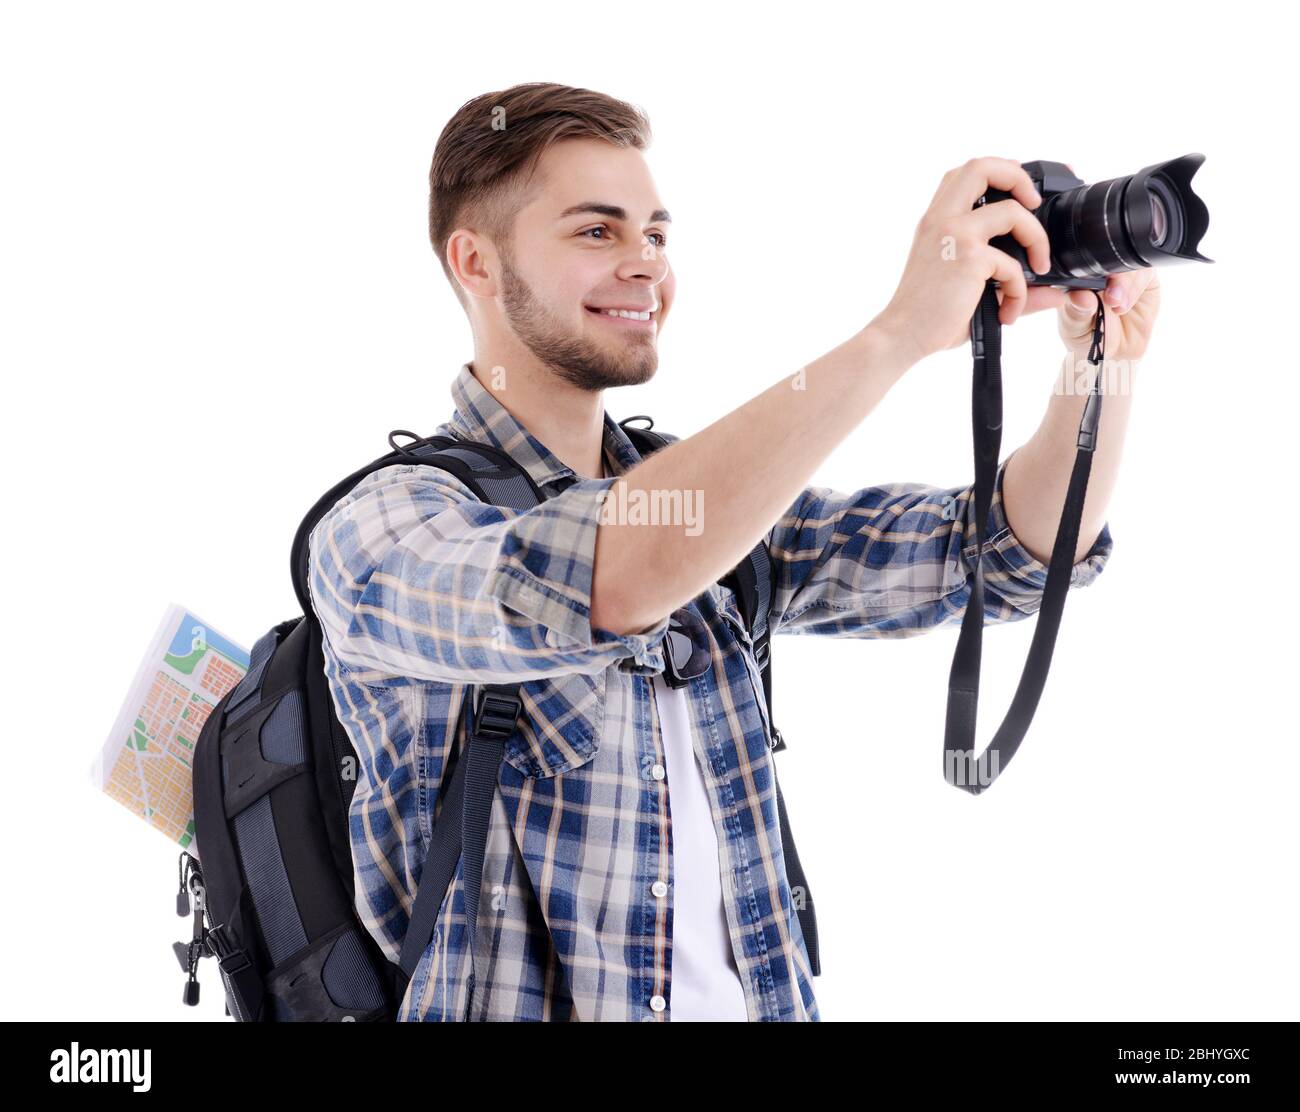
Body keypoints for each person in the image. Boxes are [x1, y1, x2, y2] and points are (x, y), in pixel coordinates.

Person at [307, 82, 1149, 1022]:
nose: (644, 267)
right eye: (597, 232)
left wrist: (1096, 362)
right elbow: (591, 581)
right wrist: (900, 332)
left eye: (656, 236)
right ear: (475, 261)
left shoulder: (707, 505)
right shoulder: (386, 526)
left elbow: (1003, 556)